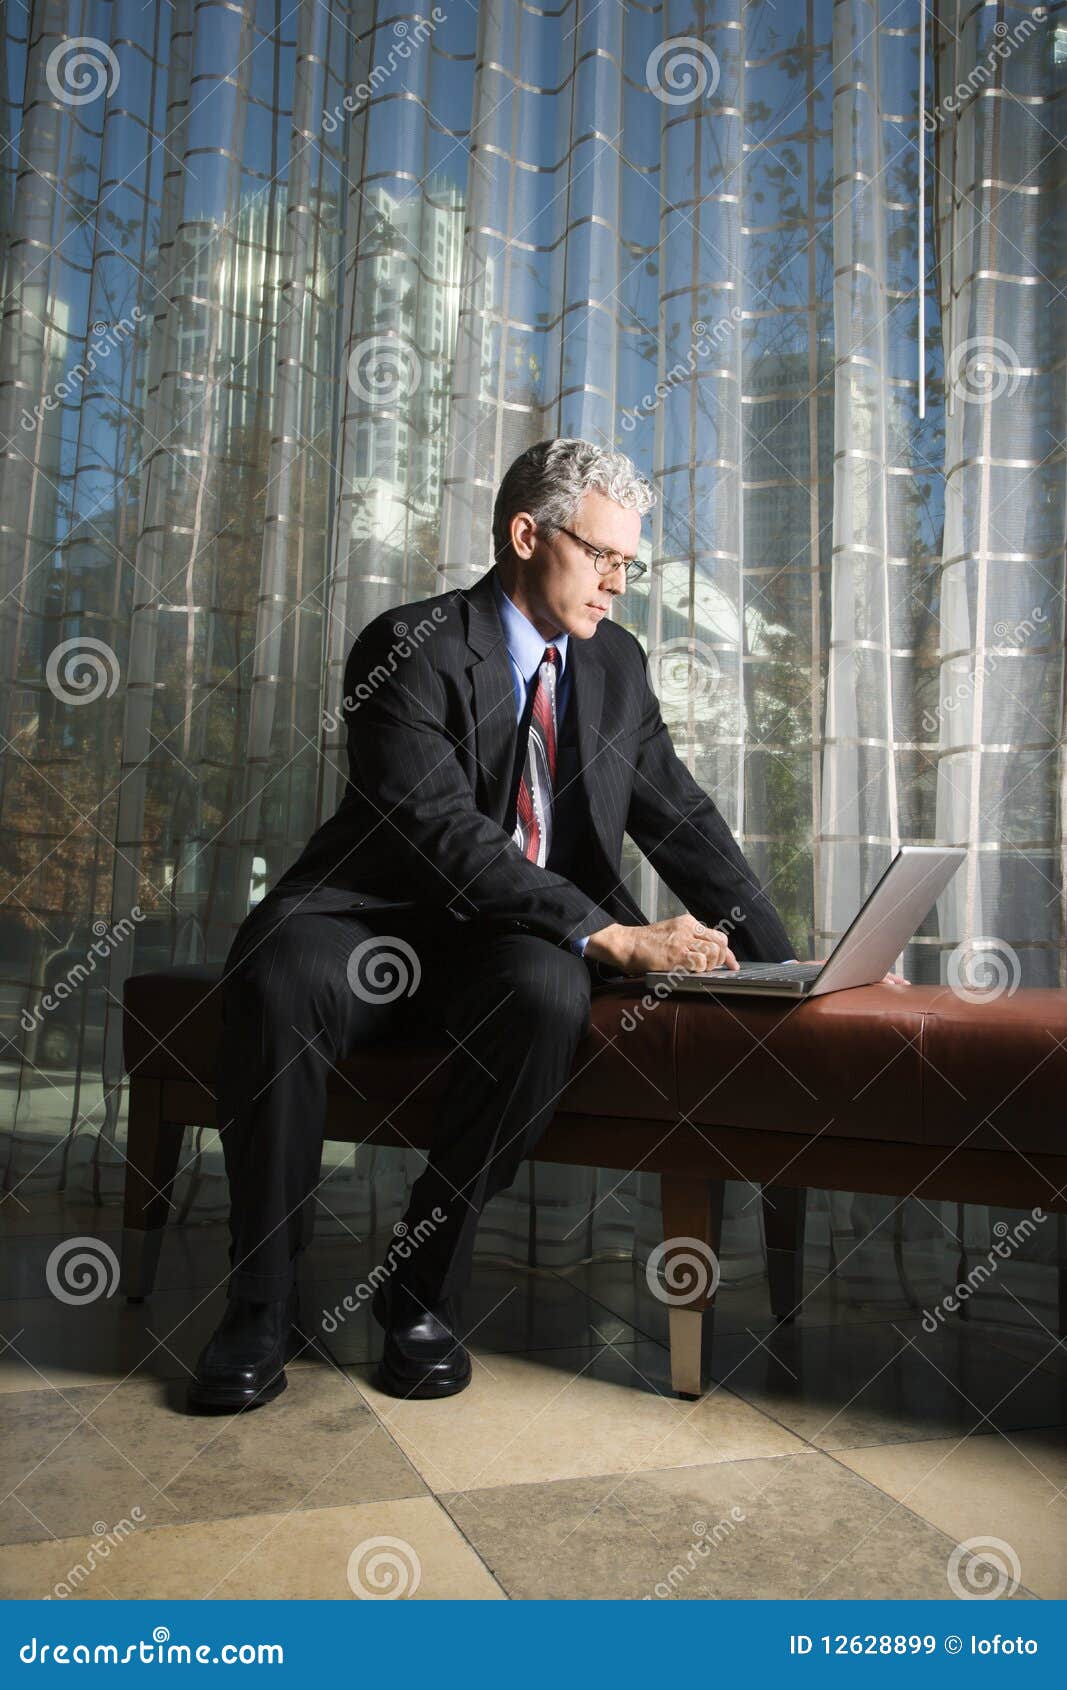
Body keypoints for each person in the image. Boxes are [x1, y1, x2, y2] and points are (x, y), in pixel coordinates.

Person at [189, 437, 798, 1413]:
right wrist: (609, 933)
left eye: (628, 566)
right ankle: (258, 1303)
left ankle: (419, 1287)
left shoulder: (616, 668)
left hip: (505, 940)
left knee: (548, 987)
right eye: (601, 557)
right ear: (525, 534)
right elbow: (436, 831)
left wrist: (789, 967)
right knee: (278, 972)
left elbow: (677, 816)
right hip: (372, 915)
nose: (616, 584)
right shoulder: (409, 647)